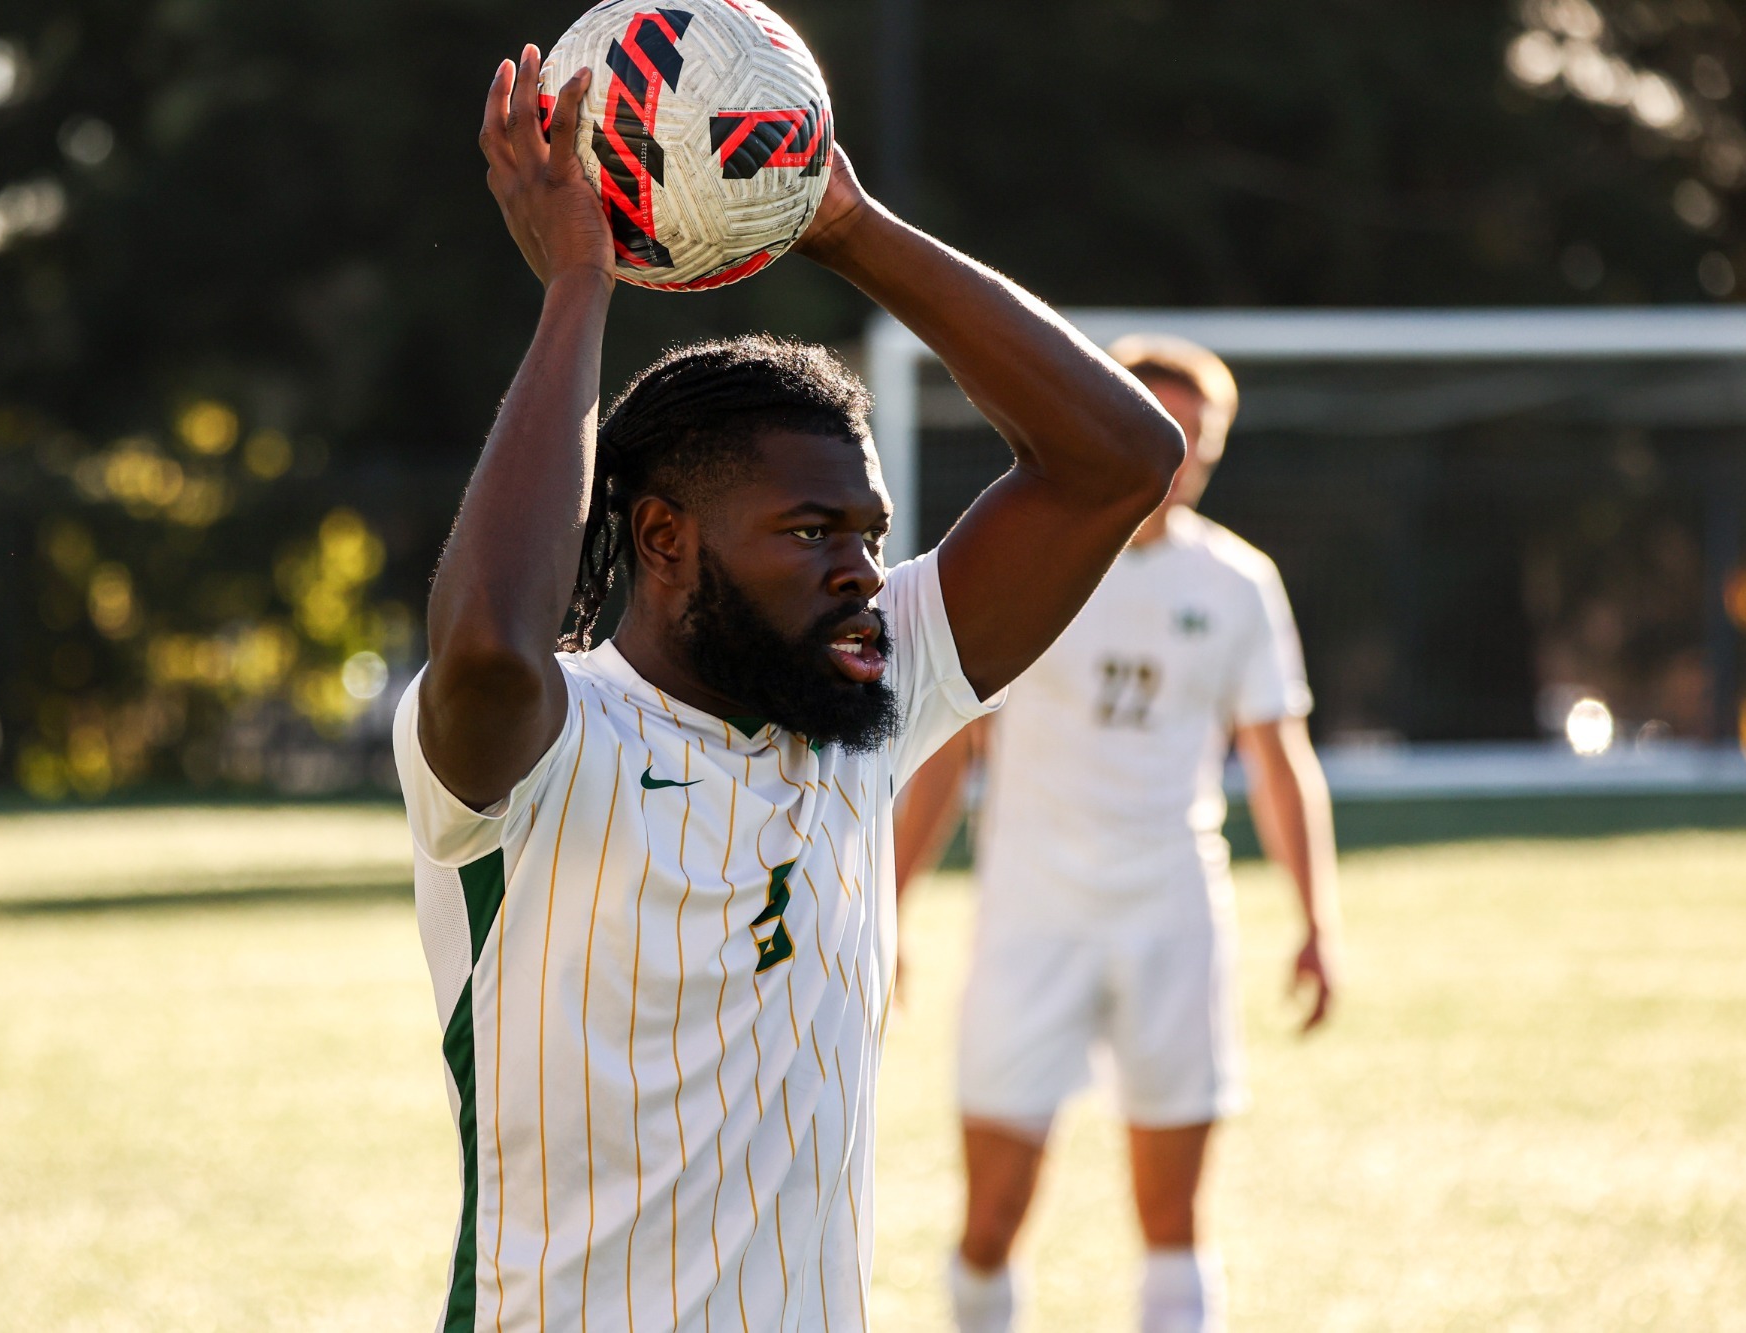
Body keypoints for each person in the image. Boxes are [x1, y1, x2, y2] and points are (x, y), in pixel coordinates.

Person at [391, 47, 1183, 1332]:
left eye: (869, 533)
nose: (863, 571)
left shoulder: (868, 702)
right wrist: (578, 285)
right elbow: (483, 645)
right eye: (811, 531)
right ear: (662, 539)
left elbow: (1119, 459)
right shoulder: (544, 742)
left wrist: (850, 226)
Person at [894, 334, 1342, 1333]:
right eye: (1156, 428)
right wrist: (885, 908)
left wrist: (1318, 920)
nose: (1172, 457)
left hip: (1172, 916)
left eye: (1195, 441)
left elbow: (1277, 761)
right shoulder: (1024, 557)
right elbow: (949, 754)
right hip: (1030, 918)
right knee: (993, 1213)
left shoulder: (1235, 583)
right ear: (1102, 422)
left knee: (1173, 1214)